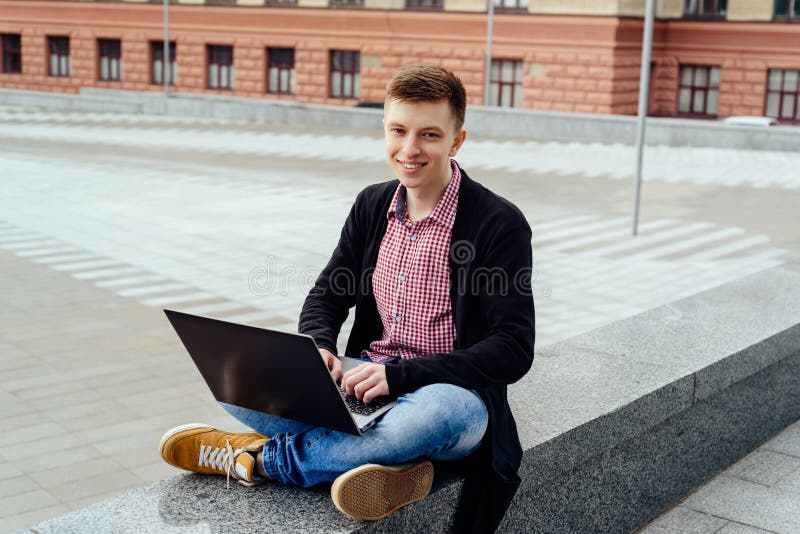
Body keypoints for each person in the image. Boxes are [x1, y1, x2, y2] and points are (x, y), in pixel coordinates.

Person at [159, 64, 535, 532]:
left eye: (430, 135)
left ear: (457, 140)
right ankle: (386, 467)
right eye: (398, 131)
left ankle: (252, 459)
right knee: (239, 377)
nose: (410, 149)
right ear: (385, 130)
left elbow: (513, 349)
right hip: (361, 382)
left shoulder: (498, 223)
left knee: (421, 421)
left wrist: (402, 376)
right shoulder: (373, 205)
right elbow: (327, 294)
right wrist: (318, 348)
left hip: (449, 398)